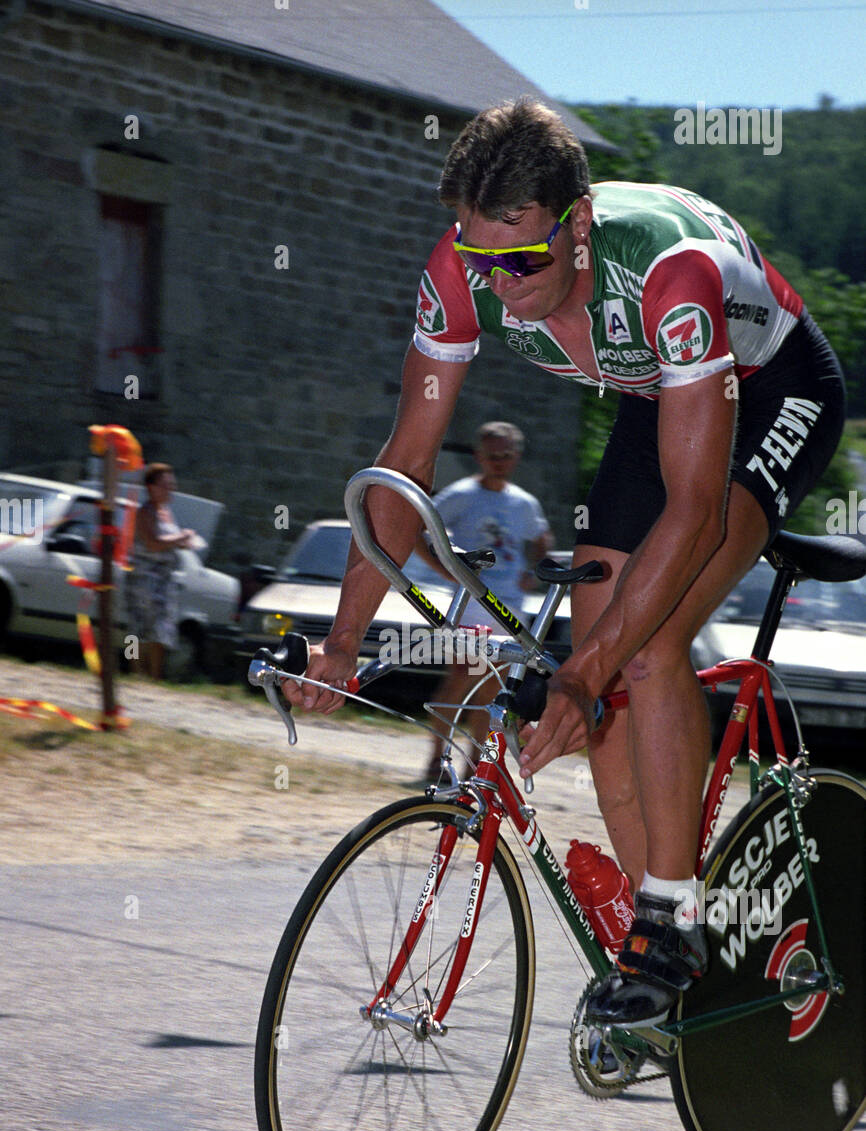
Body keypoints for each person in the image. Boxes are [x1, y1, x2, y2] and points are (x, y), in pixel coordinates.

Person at [283, 99, 846, 1029]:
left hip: (770, 383)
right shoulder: (462, 270)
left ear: (577, 225)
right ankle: (653, 923)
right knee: (602, 655)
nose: (500, 285)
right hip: (653, 387)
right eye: (481, 260)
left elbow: (697, 512)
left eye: (521, 258)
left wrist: (586, 674)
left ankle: (674, 925)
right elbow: (406, 465)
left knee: (643, 644)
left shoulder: (668, 275)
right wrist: (343, 644)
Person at [418, 420, 553, 779]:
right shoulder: (462, 494)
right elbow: (419, 529)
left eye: (506, 455)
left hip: (509, 605)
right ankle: (437, 759)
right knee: (460, 679)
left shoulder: (524, 503)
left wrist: (533, 570)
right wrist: (446, 569)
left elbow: (541, 540)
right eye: (493, 455)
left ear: (516, 457)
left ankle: (474, 765)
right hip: (472, 600)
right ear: (479, 455)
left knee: (493, 691)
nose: (499, 461)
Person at [126, 463, 197, 679]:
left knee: (161, 633)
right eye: (166, 485)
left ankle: (154, 676)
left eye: (171, 485)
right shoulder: (143, 513)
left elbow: (167, 541)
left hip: (163, 582)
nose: (170, 490)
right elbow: (151, 543)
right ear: (152, 487)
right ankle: (136, 672)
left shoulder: (166, 513)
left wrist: (183, 542)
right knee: (138, 631)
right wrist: (181, 538)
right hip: (143, 581)